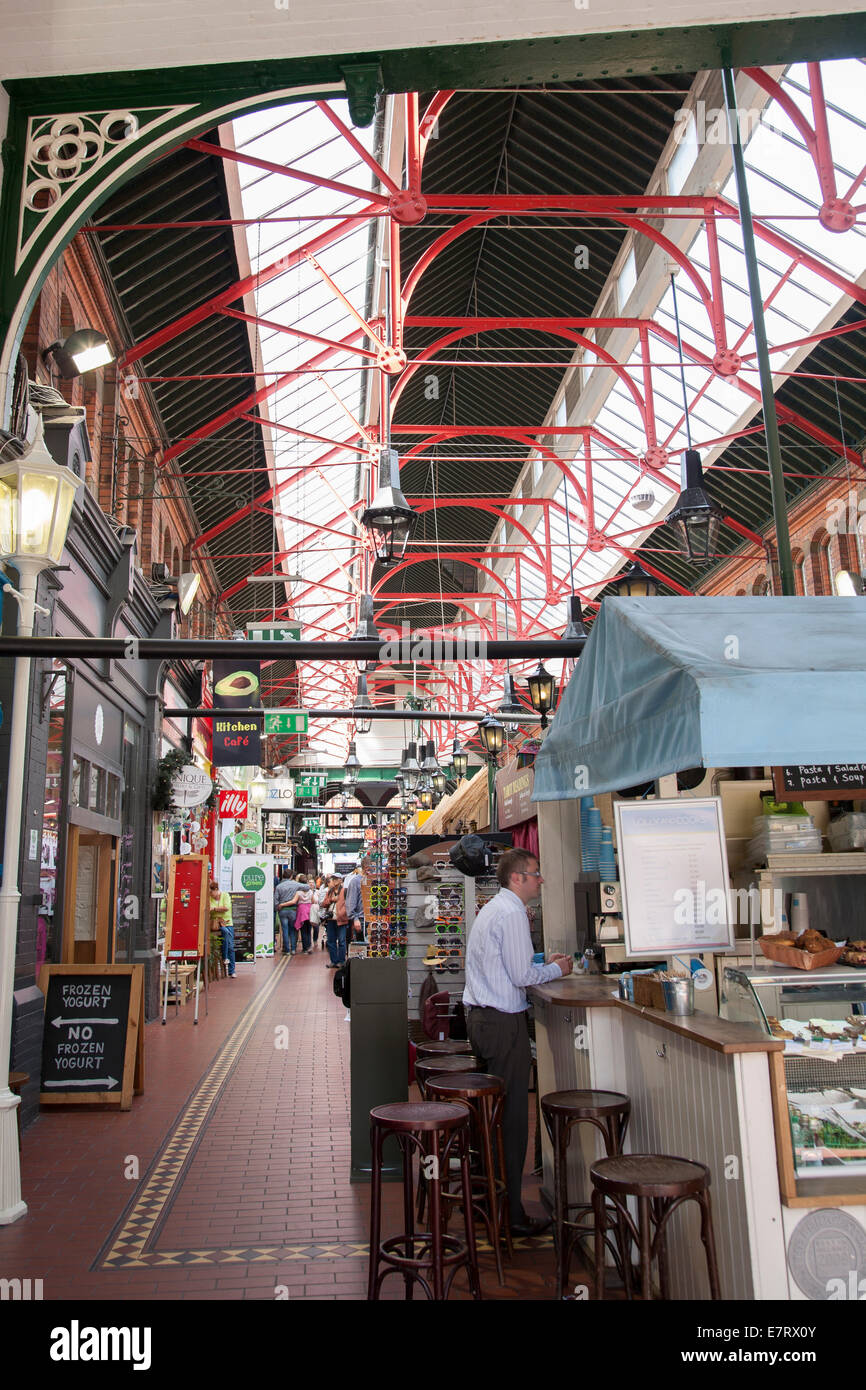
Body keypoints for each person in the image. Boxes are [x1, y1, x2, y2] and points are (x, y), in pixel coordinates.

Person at [463, 848, 573, 1238]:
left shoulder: (496, 909)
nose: (540, 879)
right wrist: (557, 968)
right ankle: (509, 1214)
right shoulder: (511, 914)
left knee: (496, 1118)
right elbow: (522, 975)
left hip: (481, 1020)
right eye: (534, 873)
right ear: (516, 879)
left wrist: (541, 958)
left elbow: (504, 962)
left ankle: (488, 1202)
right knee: (510, 1122)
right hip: (500, 1023)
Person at [209, 877, 236, 978]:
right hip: (216, 925)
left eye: (211, 893)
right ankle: (225, 958)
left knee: (230, 946)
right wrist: (217, 910)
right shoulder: (209, 898)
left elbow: (226, 908)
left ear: (216, 890)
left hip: (228, 923)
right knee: (226, 933)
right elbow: (208, 909)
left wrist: (214, 909)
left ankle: (232, 970)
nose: (211, 895)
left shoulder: (225, 895)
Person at [274, 870, 304, 954]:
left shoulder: (279, 886)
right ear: (291, 876)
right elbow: (307, 887)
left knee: (285, 930)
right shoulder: (295, 884)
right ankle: (293, 949)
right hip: (293, 910)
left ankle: (287, 950)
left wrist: (277, 908)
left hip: (282, 910)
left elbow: (275, 900)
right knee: (292, 930)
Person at [323, 876, 346, 968]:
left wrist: (343, 913)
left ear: (340, 880)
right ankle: (334, 961)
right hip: (331, 920)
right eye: (333, 879)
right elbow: (324, 904)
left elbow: (348, 903)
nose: (335, 881)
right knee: (331, 941)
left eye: (337, 879)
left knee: (341, 941)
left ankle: (341, 961)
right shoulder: (330, 891)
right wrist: (331, 899)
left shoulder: (345, 891)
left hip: (341, 919)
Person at [290, 874, 314, 954]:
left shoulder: (299, 892)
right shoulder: (310, 891)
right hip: (309, 910)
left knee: (303, 930)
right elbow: (313, 901)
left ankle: (305, 948)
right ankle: (309, 946)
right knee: (308, 930)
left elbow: (294, 901)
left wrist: (283, 904)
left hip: (301, 911)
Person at [343, 865, 364, 942]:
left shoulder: (376, 880)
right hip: (361, 921)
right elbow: (350, 902)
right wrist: (355, 918)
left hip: (375, 919)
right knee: (361, 948)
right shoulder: (355, 881)